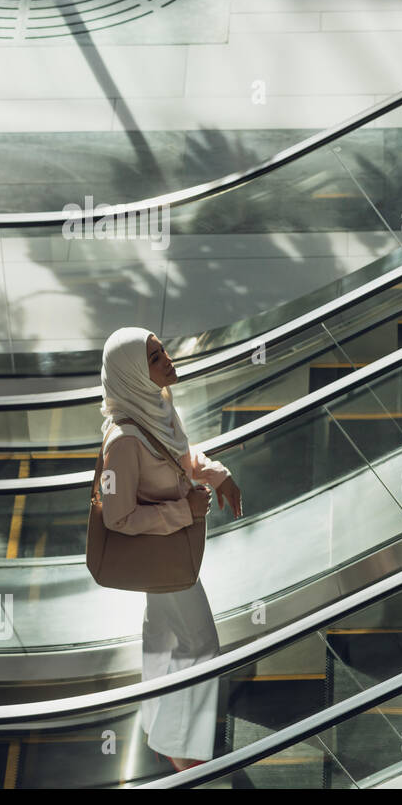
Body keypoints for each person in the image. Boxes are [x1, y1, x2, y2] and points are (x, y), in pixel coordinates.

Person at [98, 327, 243, 772]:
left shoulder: (157, 405)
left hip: (166, 553)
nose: (167, 361)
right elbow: (116, 518)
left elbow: (178, 454)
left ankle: (162, 731)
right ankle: (183, 753)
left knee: (164, 636)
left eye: (162, 351)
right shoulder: (122, 441)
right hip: (160, 553)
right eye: (155, 358)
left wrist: (216, 475)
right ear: (131, 376)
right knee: (201, 644)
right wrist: (184, 511)